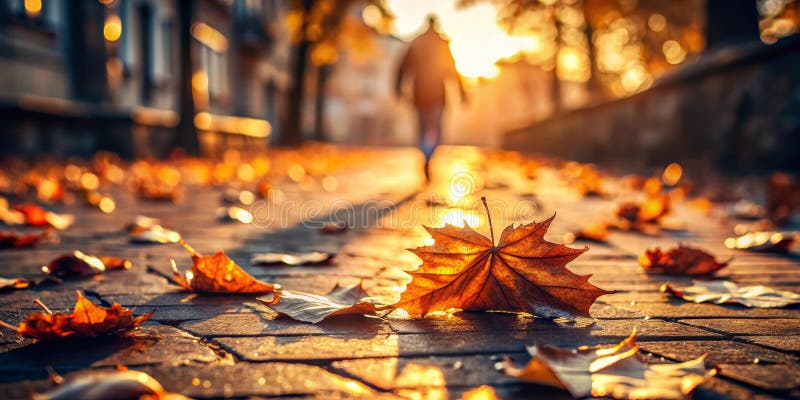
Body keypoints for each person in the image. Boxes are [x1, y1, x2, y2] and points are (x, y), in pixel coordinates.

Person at [395, 15, 466, 181]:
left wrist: (398, 88)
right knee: (436, 130)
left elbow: (403, 67)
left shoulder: (417, 43)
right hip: (437, 95)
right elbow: (452, 70)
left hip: (419, 94)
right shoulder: (442, 44)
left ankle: (425, 155)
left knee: (422, 129)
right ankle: (429, 156)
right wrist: (462, 92)